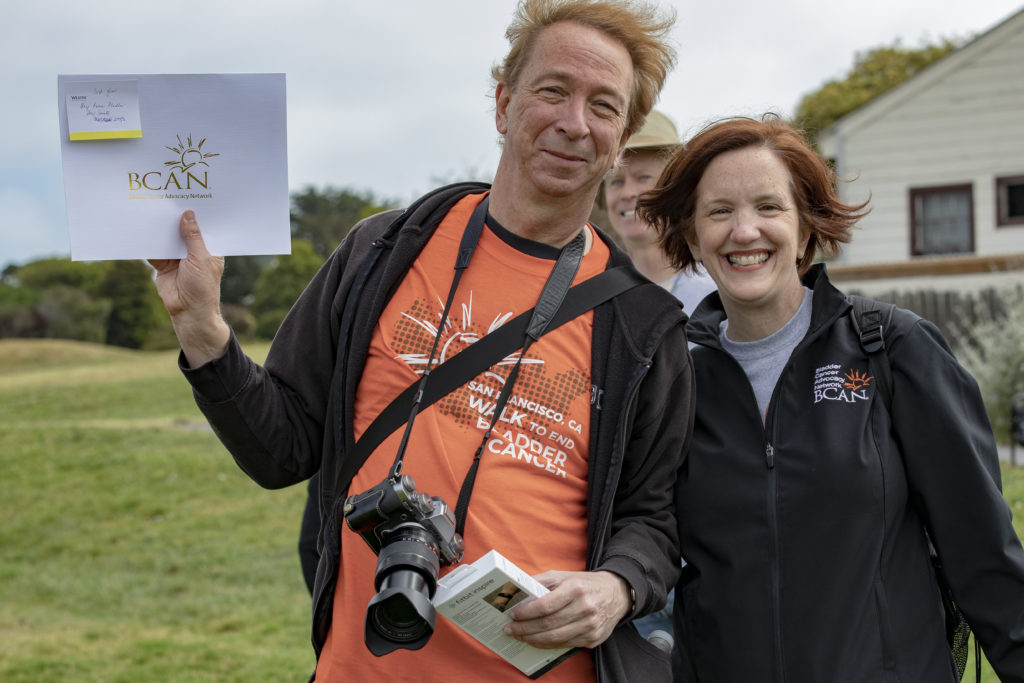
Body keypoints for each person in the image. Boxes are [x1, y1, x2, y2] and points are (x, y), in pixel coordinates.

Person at [149, 1, 693, 681]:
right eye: (552, 90)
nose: (574, 122)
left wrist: (619, 585)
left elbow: (655, 516)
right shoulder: (382, 251)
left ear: (623, 135)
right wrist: (202, 330)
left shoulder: (644, 327)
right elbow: (280, 447)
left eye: (604, 106)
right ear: (503, 103)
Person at [640, 114, 1024, 681]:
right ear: (693, 235)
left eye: (769, 207)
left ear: (806, 228)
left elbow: (985, 557)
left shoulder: (891, 348)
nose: (744, 231)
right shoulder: (674, 377)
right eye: (720, 211)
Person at [601, 109, 715, 317]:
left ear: (675, 190)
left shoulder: (718, 292)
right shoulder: (596, 298)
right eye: (617, 181)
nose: (628, 193)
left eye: (643, 178)